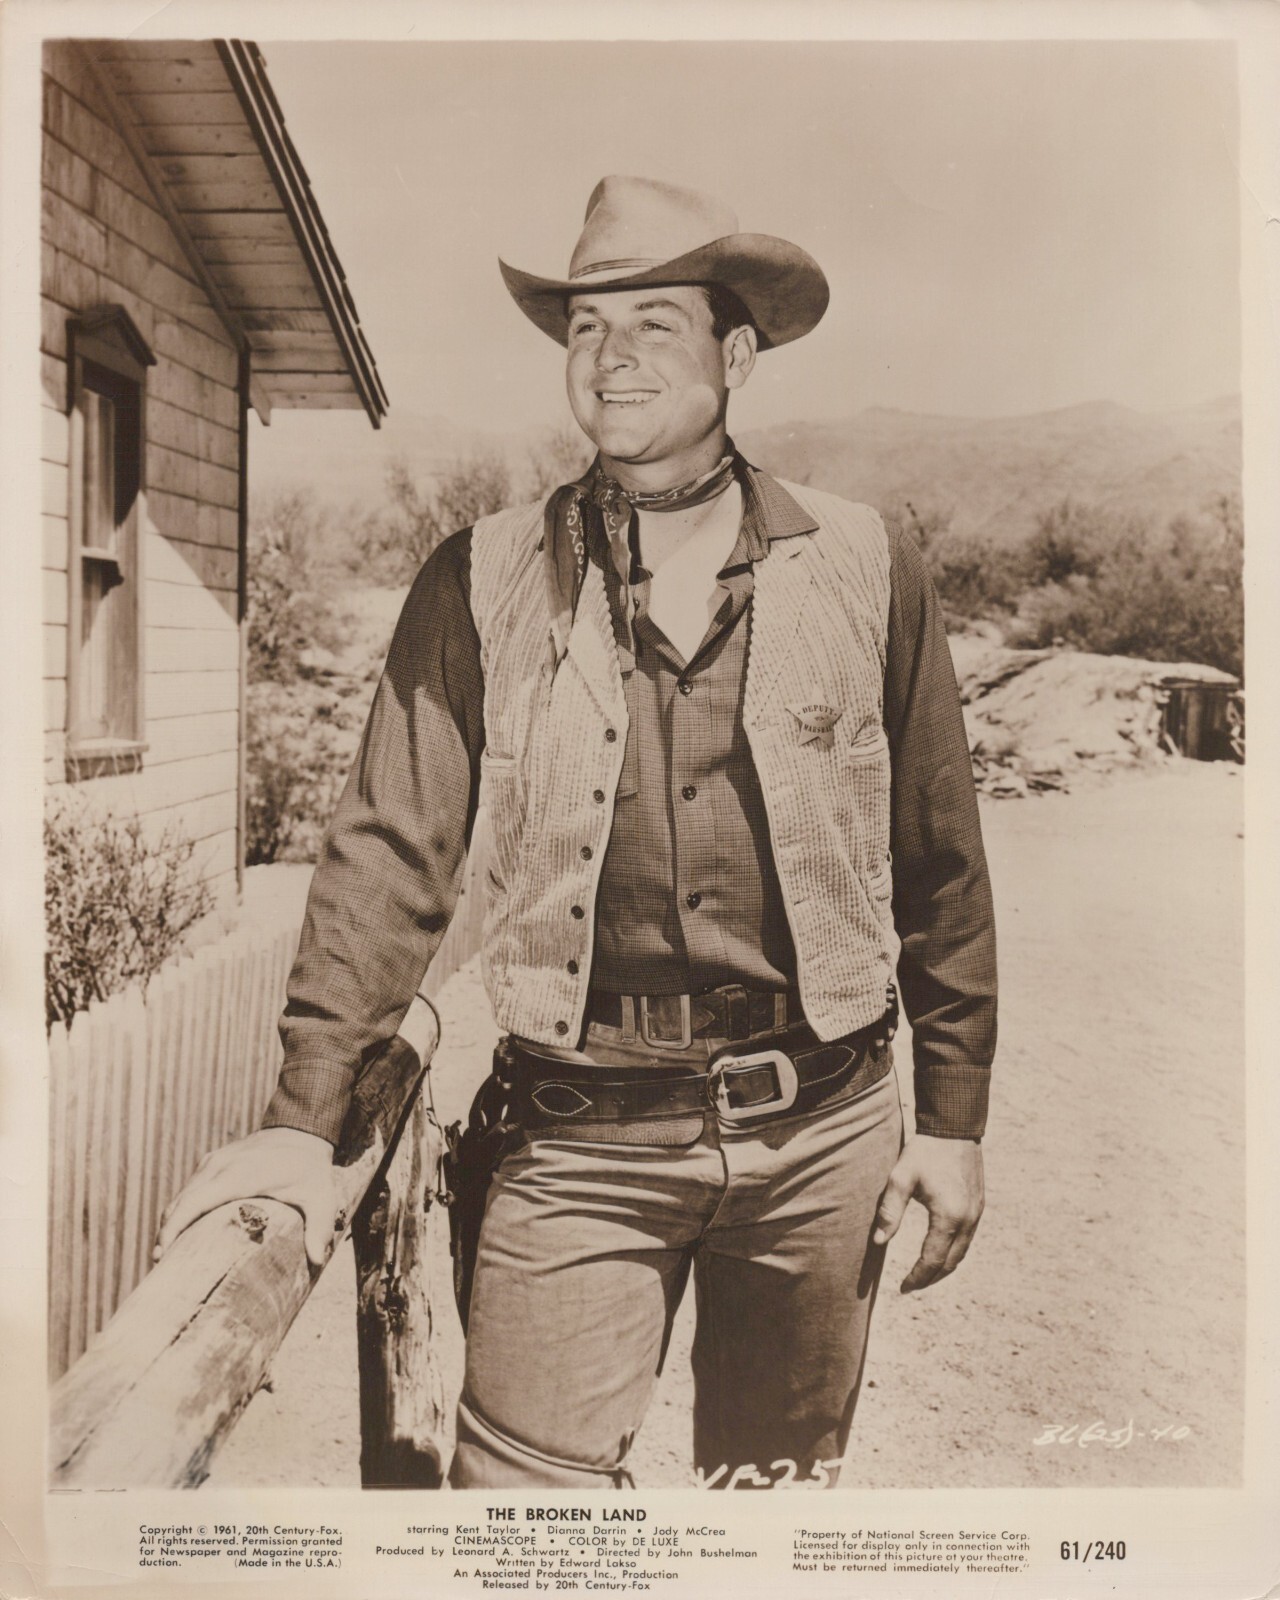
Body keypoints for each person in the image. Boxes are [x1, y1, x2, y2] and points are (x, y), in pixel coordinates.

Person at [159, 176, 996, 1490]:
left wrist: (950, 1120)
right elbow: (390, 853)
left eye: (652, 326)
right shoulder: (477, 574)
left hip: (823, 1135)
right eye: (586, 330)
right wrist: (299, 1122)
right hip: (577, 1130)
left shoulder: (867, 562)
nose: (608, 361)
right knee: (518, 1524)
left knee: (769, 1518)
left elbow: (939, 864)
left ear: (734, 356)